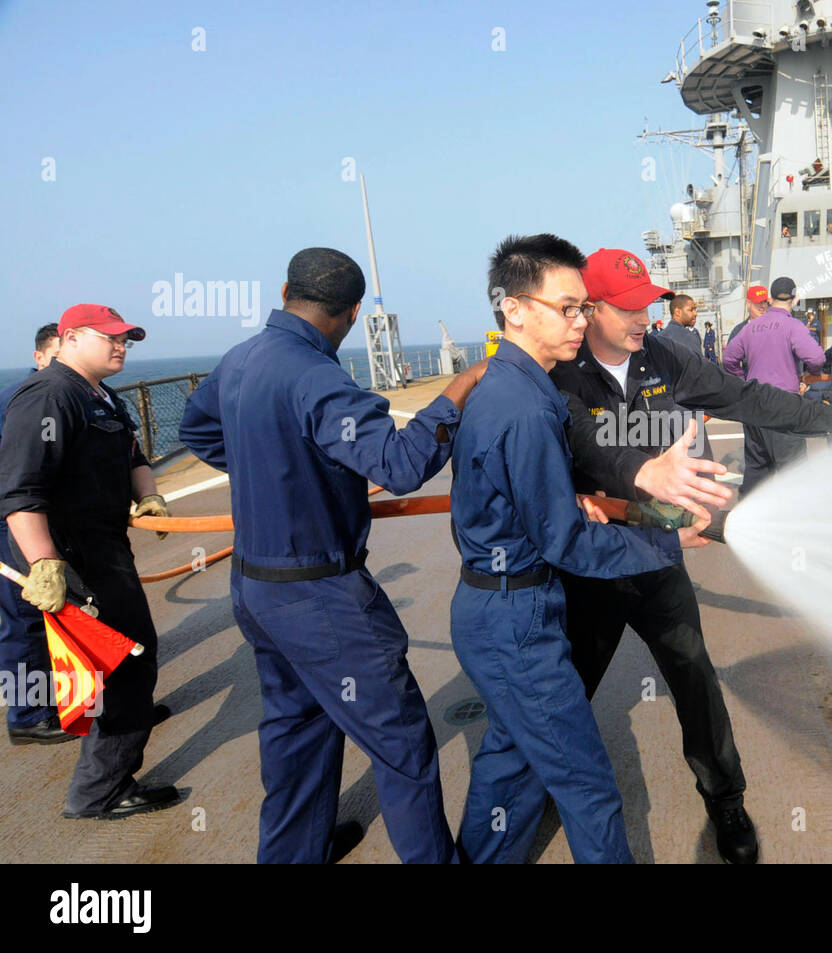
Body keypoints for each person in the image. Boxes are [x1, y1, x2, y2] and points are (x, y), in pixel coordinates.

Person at [552, 247, 832, 864]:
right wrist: (638, 472)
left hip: (660, 555)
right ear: (592, 309)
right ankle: (546, 785)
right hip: (594, 562)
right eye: (629, 308)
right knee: (566, 685)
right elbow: (581, 439)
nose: (644, 318)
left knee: (694, 680)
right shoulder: (561, 370)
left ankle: (726, 799)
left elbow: (746, 397)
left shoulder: (661, 355)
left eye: (650, 305)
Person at [180, 247, 482, 864]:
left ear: (286, 289)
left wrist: (278, 471)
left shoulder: (240, 359)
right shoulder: (318, 377)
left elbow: (197, 431)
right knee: (400, 741)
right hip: (321, 598)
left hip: (255, 589)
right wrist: (456, 394)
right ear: (350, 315)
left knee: (297, 728)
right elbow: (399, 466)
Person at [452, 235, 711, 865]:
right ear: (514, 309)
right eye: (568, 308)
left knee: (510, 765)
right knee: (590, 792)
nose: (581, 320)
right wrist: (662, 538)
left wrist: (639, 498)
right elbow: (564, 539)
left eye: (583, 307)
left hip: (496, 605)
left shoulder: (522, 387)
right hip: (516, 617)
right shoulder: (523, 407)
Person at [0, 305, 179, 820]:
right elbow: (20, 492)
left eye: (127, 340)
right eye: (111, 338)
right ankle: (100, 792)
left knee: (113, 666)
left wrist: (148, 495)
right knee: (127, 662)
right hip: (75, 558)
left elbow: (133, 456)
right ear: (70, 337)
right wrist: (44, 564)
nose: (122, 346)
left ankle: (101, 780)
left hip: (107, 550)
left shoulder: (102, 395)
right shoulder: (50, 395)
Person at [0, 323, 74, 745]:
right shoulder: (23, 398)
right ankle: (27, 715)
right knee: (25, 618)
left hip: (49, 516)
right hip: (13, 519)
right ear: (40, 357)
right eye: (54, 356)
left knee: (63, 613)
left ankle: (76, 701)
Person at [723, 276, 829, 494]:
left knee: (756, 469)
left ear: (770, 299)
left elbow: (729, 360)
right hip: (783, 406)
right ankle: (797, 520)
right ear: (794, 298)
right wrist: (811, 373)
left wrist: (744, 382)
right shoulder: (793, 326)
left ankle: (749, 519)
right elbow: (817, 358)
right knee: (794, 470)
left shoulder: (750, 328)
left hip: (754, 405)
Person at [658, 293, 703, 357]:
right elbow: (698, 366)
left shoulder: (659, 337)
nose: (695, 313)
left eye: (695, 310)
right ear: (677, 312)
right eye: (691, 310)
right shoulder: (688, 337)